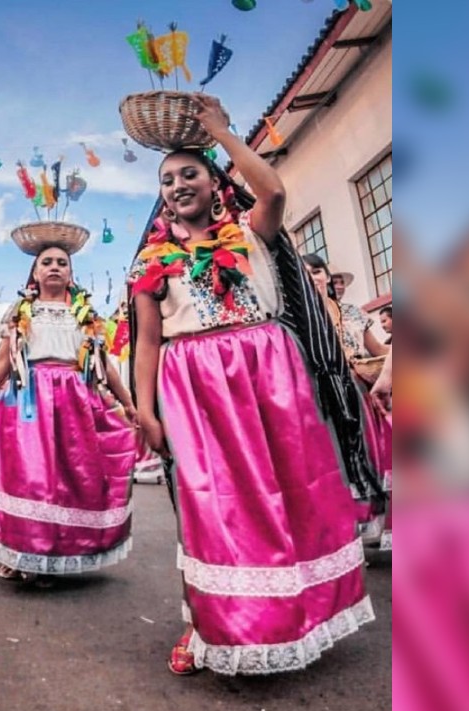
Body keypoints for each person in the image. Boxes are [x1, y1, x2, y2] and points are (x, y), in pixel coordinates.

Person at [128, 94, 374, 675]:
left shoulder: (250, 232)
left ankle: (298, 611)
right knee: (210, 506)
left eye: (190, 174)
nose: (177, 185)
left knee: (291, 495)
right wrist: (146, 410)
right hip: (194, 388)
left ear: (217, 184)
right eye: (167, 180)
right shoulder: (149, 264)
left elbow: (276, 193)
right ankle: (203, 620)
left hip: (270, 375)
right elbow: (146, 342)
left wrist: (222, 132)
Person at [0, 238, 137, 587]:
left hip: (76, 402)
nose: (54, 267)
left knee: (69, 481)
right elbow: (1, 362)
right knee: (29, 480)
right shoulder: (22, 311)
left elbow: (106, 366)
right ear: (35, 273)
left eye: (61, 262)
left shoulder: (85, 314)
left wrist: (128, 403)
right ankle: (20, 550)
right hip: (29, 400)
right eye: (47, 262)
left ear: (71, 274)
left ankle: (53, 555)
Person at [302, 254, 392, 544]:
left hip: (359, 392)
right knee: (333, 459)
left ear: (326, 276)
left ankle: (373, 523)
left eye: (317, 271)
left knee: (368, 453)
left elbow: (377, 349)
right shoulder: (296, 317)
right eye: (305, 272)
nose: (313, 277)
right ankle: (345, 531)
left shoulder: (352, 313)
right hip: (320, 395)